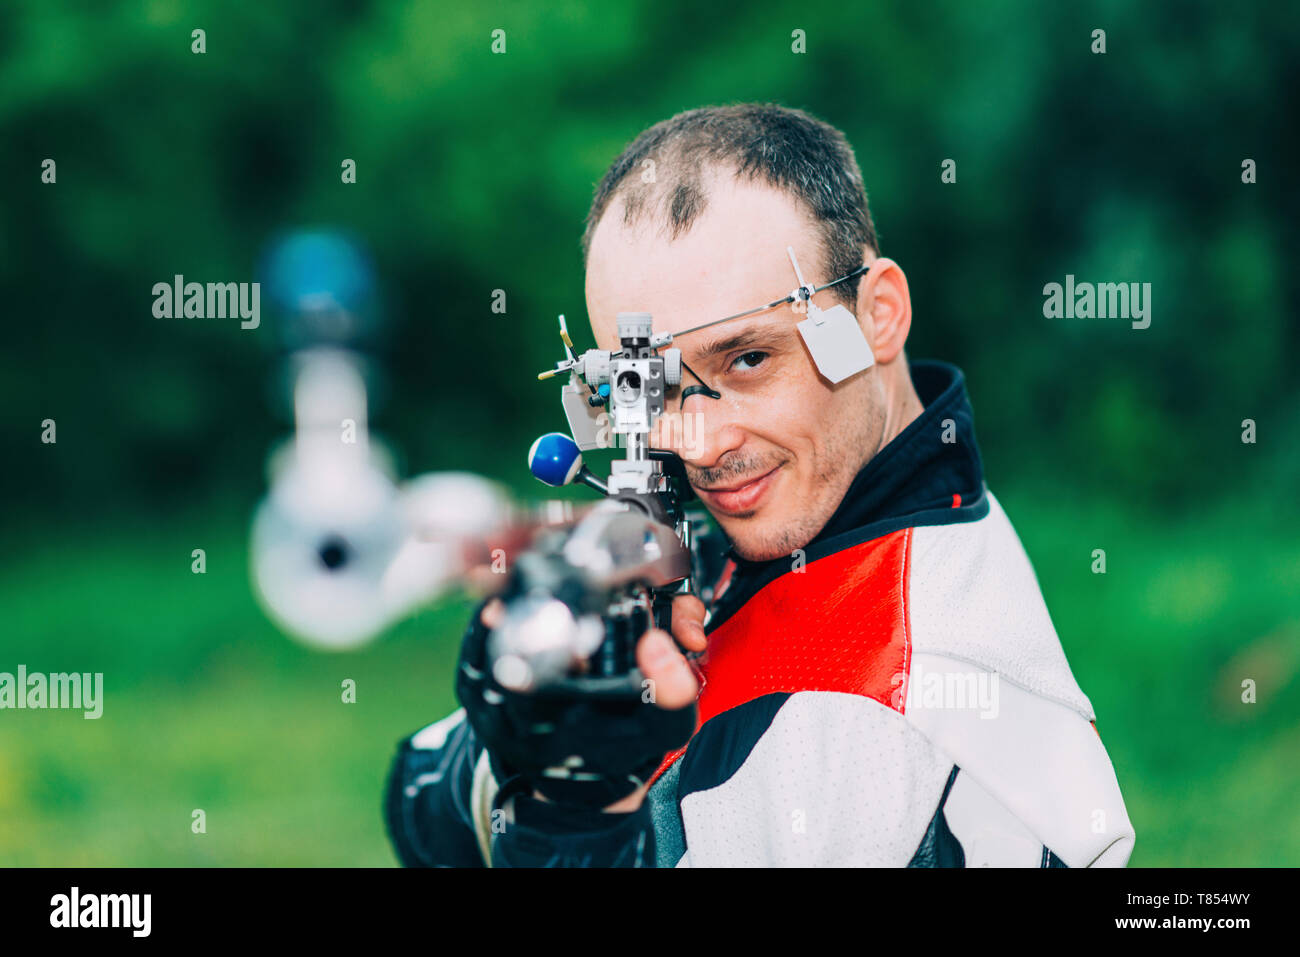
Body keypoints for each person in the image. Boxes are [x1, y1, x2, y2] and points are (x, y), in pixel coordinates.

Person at [384, 103, 1135, 867]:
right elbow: (413, 793)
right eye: (650, 390)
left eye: (748, 360)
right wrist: (523, 733)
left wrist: (572, 819)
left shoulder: (909, 717)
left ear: (878, 314)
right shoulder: (769, 530)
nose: (700, 445)